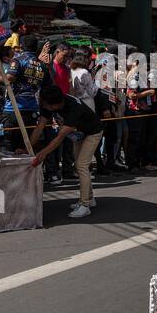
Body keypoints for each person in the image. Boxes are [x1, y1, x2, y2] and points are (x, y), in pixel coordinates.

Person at [31, 85, 102, 218]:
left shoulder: (73, 108)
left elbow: (60, 137)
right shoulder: (48, 103)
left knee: (81, 165)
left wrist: (43, 153)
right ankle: (90, 198)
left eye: (44, 104)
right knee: (79, 164)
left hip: (93, 132)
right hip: (80, 132)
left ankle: (84, 205)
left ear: (54, 105)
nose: (42, 105)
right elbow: (40, 125)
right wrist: (28, 147)